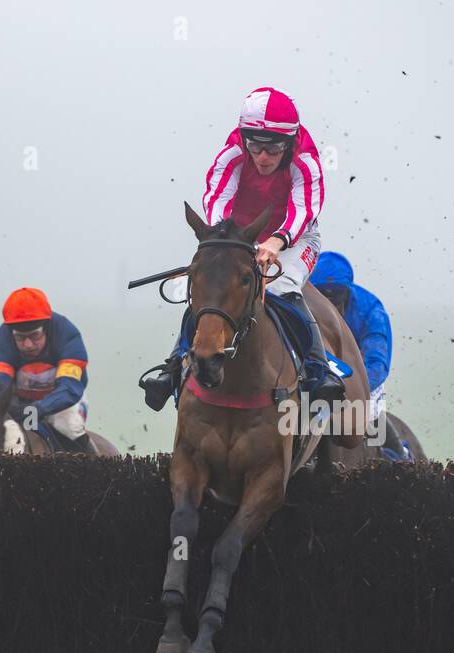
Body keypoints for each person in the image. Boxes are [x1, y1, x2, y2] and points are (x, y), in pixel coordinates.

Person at [140, 86, 343, 411]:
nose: (263, 156)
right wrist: (227, 246)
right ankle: (173, 366)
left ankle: (319, 372)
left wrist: (275, 242)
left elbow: (303, 210)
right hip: (238, 237)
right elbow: (216, 200)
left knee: (283, 288)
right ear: (243, 137)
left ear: (289, 143)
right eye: (255, 145)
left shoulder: (305, 162)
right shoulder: (231, 155)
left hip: (295, 238)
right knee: (212, 290)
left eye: (274, 147)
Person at [308, 251, 408, 460]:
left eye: (336, 294)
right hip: (317, 373)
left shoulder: (370, 311)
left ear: (348, 291)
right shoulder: (304, 305)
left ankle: (400, 458)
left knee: (371, 416)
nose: (329, 302)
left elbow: (377, 365)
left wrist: (348, 391)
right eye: (322, 294)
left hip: (360, 379)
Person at [0, 287, 96, 453]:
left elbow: (70, 387)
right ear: (11, 332)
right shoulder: (2, 340)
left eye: (34, 336)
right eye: (20, 337)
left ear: (46, 327)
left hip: (64, 403)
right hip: (19, 404)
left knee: (71, 427)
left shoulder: (67, 334)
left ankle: (97, 470)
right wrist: (11, 406)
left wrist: (39, 408)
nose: (28, 345)